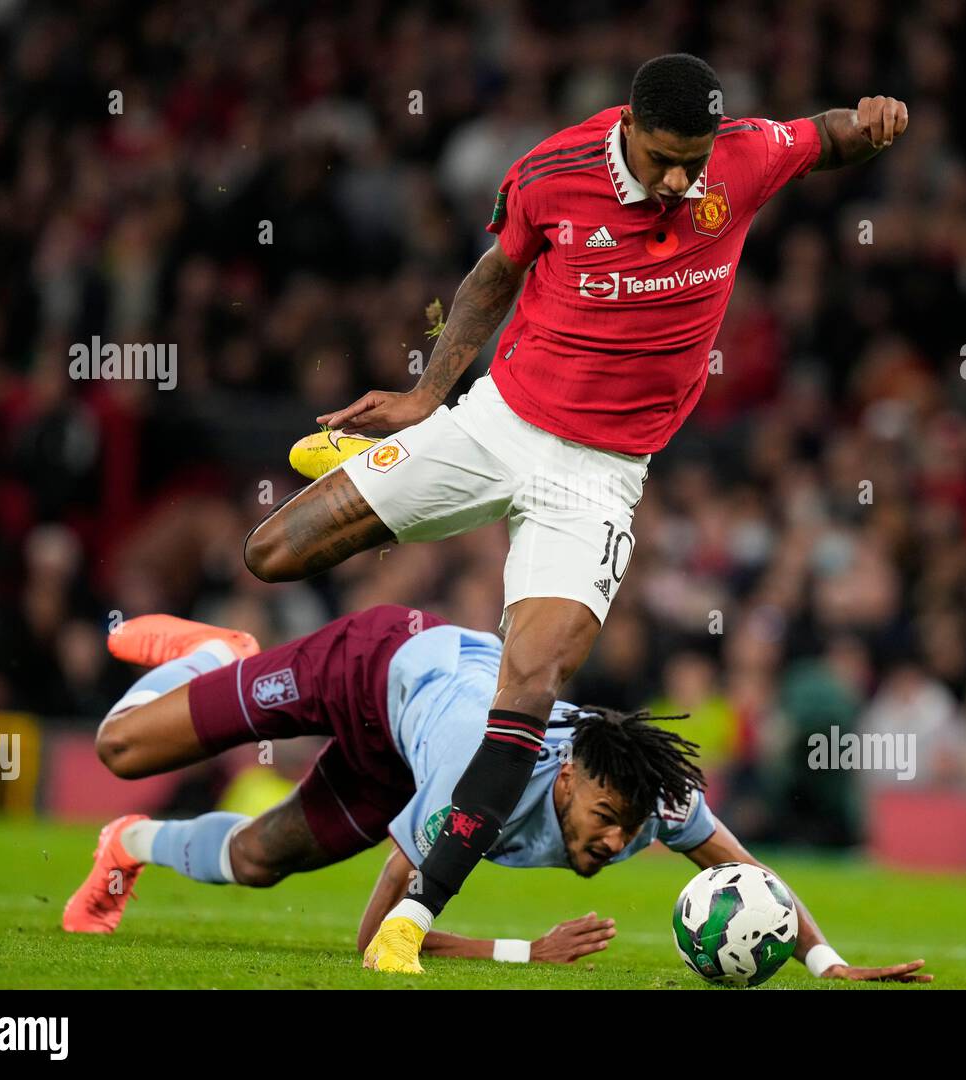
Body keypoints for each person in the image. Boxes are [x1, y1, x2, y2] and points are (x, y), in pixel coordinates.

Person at [241, 53, 909, 971]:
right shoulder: (551, 172)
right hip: (496, 424)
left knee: (533, 685)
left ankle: (413, 915)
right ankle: (382, 459)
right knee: (271, 554)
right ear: (627, 126)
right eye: (667, 159)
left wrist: (870, 124)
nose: (682, 180)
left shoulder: (743, 158)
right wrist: (426, 396)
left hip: (597, 477)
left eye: (696, 161)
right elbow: (490, 277)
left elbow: (824, 137)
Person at [63, 606, 931, 983]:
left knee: (256, 862)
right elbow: (377, 942)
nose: (610, 844)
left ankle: (126, 845)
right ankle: (220, 652)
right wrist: (526, 954)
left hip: (408, 743)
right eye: (601, 825)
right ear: (563, 776)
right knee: (122, 745)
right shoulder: (479, 783)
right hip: (369, 667)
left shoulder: (641, 792)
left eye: (626, 836)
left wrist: (826, 961)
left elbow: (750, 871)